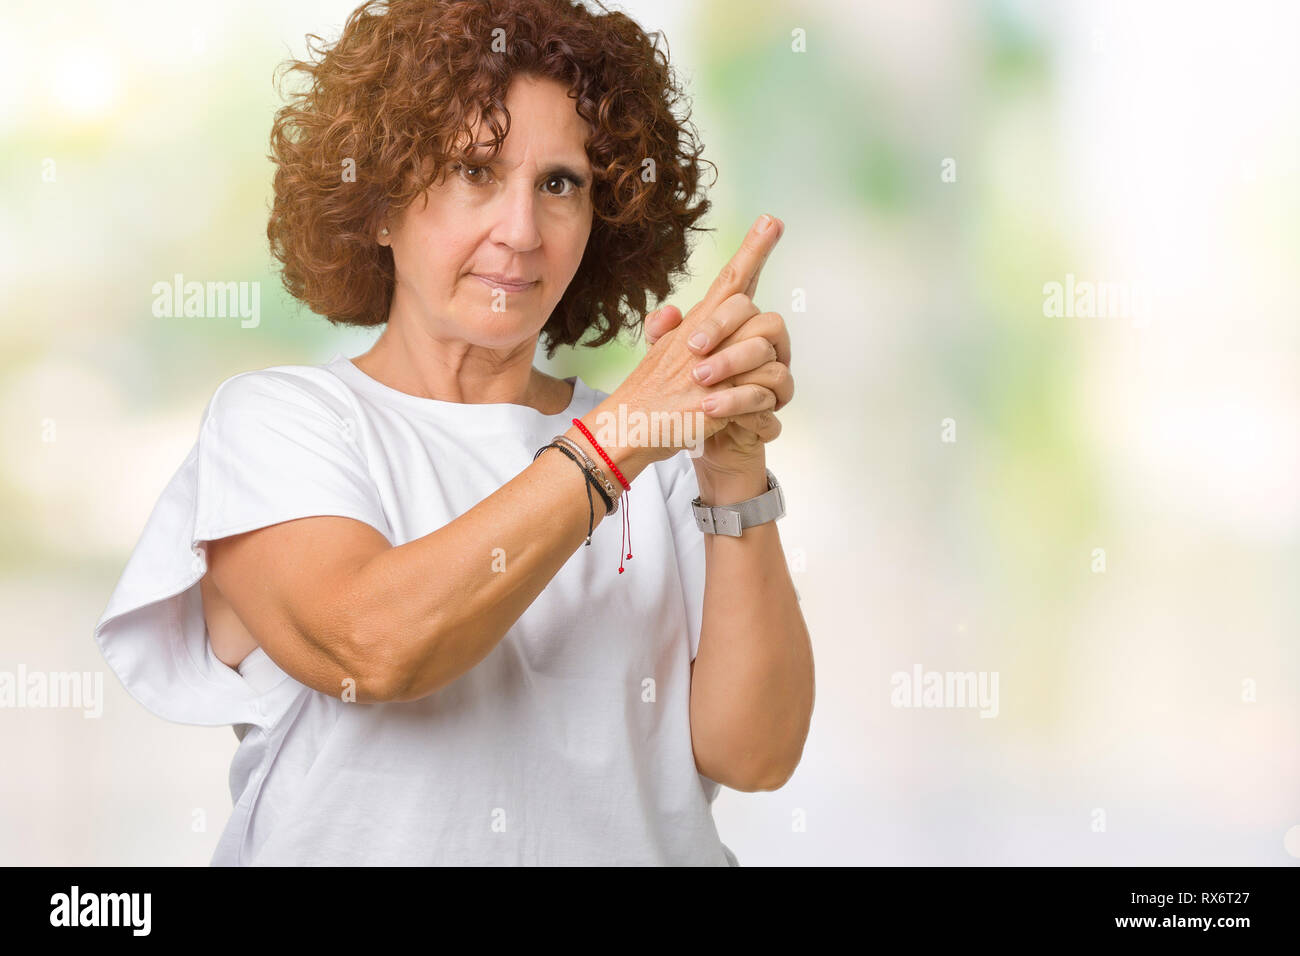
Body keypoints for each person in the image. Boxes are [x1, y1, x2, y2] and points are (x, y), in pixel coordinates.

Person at [93, 0, 813, 865]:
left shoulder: (656, 451)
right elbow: (375, 646)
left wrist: (735, 467)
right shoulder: (282, 424)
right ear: (380, 204)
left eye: (560, 184)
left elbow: (754, 754)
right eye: (474, 171)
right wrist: (619, 437)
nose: (519, 231)